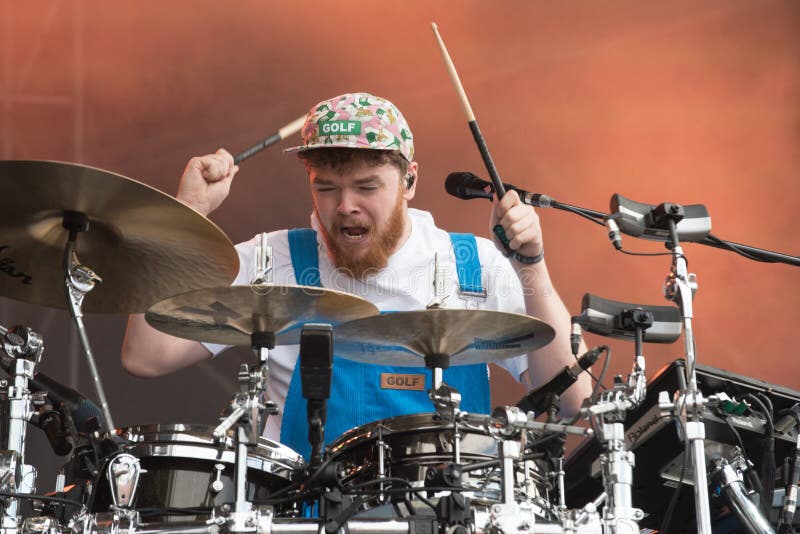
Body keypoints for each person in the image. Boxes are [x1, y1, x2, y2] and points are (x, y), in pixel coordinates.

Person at [121, 92, 591, 458]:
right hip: (304, 517)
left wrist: (531, 265)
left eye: (367, 186)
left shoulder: (473, 266)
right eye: (326, 188)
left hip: (449, 514)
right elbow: (147, 356)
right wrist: (184, 217)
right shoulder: (271, 262)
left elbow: (575, 401)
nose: (345, 205)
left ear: (409, 181)